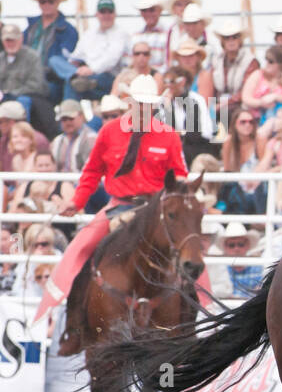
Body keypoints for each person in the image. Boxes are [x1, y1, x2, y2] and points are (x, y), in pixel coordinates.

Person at [38, 75, 187, 354]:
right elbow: (93, 170)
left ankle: (190, 327)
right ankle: (74, 326)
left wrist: (175, 201)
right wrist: (77, 200)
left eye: (148, 104)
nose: (144, 109)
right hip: (119, 204)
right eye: (139, 103)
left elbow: (179, 175)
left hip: (156, 210)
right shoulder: (109, 132)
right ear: (130, 103)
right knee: (79, 252)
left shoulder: (168, 136)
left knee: (189, 260)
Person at [52, 0, 128, 102]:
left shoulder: (120, 34)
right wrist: (76, 68)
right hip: (83, 74)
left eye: (109, 12)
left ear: (115, 14)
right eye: (103, 12)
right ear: (97, 14)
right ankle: (71, 112)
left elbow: (111, 60)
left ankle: (70, 114)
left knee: (72, 82)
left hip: (106, 77)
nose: (106, 15)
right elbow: (77, 55)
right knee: (55, 60)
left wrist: (91, 70)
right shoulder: (89, 34)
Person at [0, 24, 56, 138]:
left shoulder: (32, 57)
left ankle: (23, 134)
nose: (10, 43)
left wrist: (13, 93)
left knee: (23, 101)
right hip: (3, 97)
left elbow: (36, 84)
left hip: (28, 98)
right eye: (8, 40)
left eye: (13, 40)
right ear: (3, 41)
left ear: (21, 39)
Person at [22, 0, 80, 103]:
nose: (46, 5)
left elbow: (66, 59)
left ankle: (76, 77)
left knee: (56, 62)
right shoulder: (30, 28)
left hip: (53, 80)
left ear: (58, 2)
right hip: (28, 77)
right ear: (38, 3)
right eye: (43, 1)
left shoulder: (68, 30)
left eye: (50, 1)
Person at [160, 66, 216, 165]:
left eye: (172, 81)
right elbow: (166, 131)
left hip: (195, 146)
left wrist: (181, 133)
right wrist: (168, 108)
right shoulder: (164, 101)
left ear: (182, 81)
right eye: (165, 81)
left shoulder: (196, 99)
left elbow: (203, 132)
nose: (168, 85)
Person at [218, 108, 268, 215]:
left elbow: (264, 166)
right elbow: (227, 170)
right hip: (236, 187)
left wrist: (253, 180)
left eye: (251, 122)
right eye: (243, 122)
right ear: (234, 124)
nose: (247, 125)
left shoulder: (259, 140)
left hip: (256, 185)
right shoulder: (228, 142)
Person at [207, 221, 264, 300]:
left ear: (247, 245)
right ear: (225, 248)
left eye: (240, 244)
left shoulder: (259, 267)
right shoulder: (218, 268)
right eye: (231, 245)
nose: (236, 249)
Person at [242, 44, 282, 121]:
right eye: (266, 59)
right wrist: (261, 103)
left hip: (279, 119)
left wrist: (276, 97)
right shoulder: (258, 74)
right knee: (224, 110)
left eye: (271, 61)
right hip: (253, 118)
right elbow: (246, 98)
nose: (267, 63)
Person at [51, 100, 99, 172]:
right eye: (64, 119)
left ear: (81, 116)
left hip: (81, 180)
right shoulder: (57, 141)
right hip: (59, 181)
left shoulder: (91, 138)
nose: (67, 122)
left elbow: (93, 169)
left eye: (71, 118)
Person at [131, 0, 169, 72]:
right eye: (144, 10)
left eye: (152, 10)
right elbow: (130, 62)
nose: (148, 13)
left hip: (160, 78)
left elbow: (168, 63)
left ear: (160, 11)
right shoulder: (135, 35)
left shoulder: (168, 33)